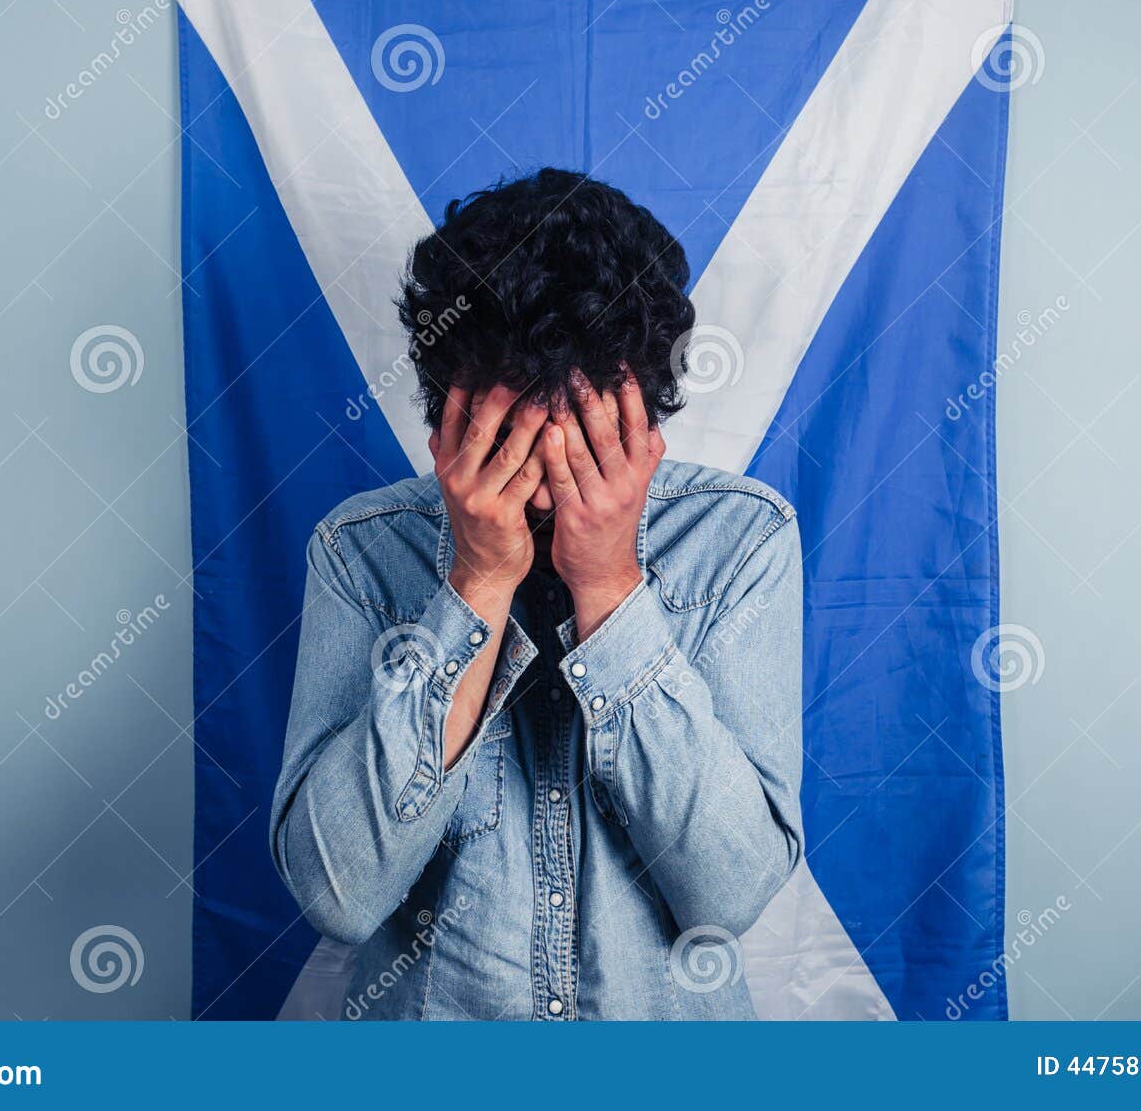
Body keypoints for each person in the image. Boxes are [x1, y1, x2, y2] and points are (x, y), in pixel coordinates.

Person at [269, 168, 803, 1019]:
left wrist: (611, 585)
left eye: (585, 437)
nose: (552, 487)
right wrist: (475, 584)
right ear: (451, 416)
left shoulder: (740, 542)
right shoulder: (360, 552)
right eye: (515, 441)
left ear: (646, 415)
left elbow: (729, 893)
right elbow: (340, 893)